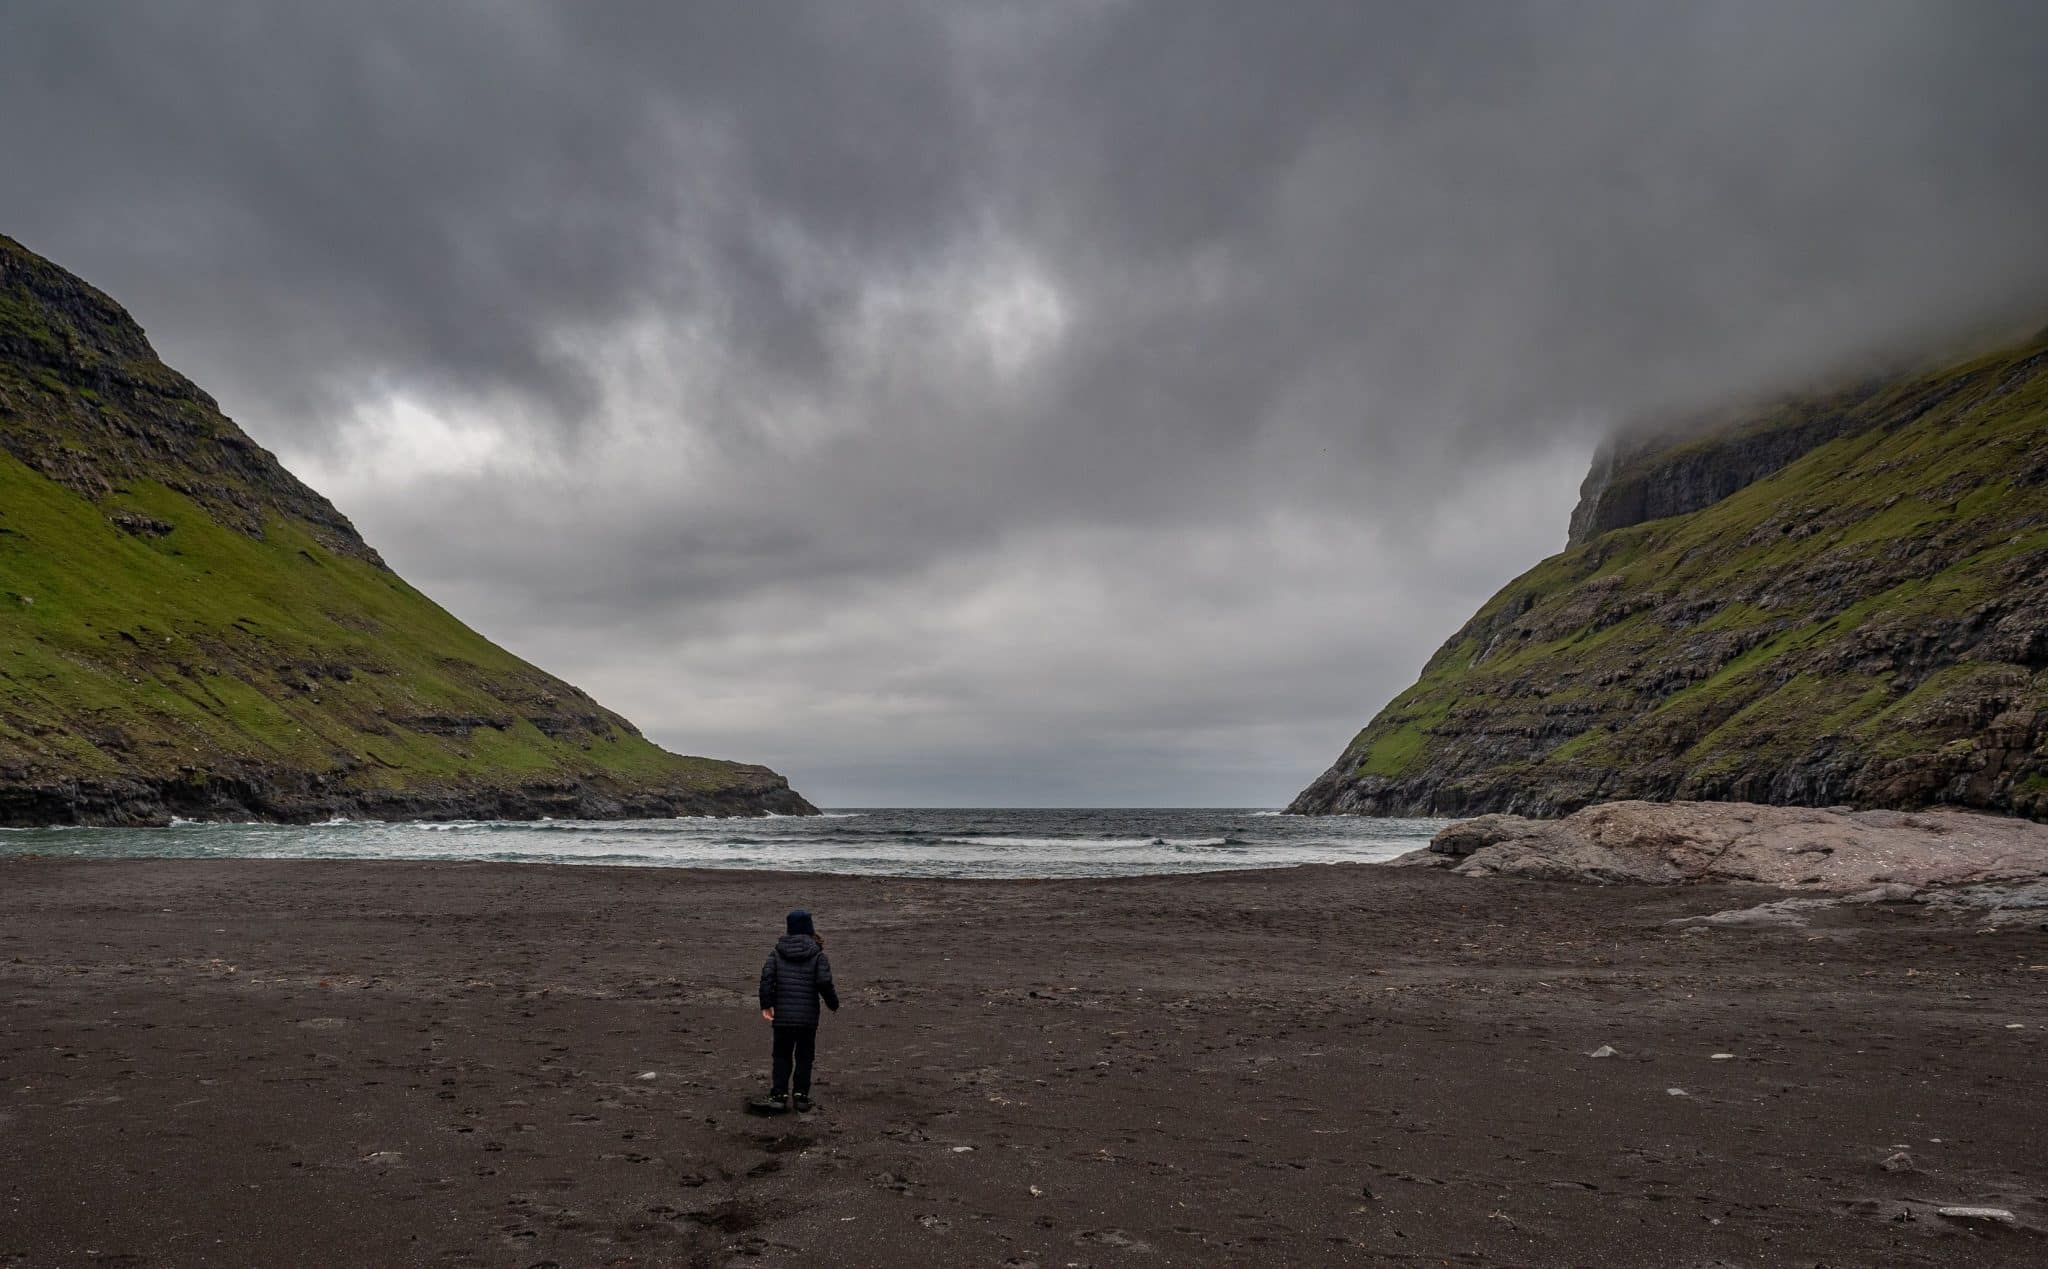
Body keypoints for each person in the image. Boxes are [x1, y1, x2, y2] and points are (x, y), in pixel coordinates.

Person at [756, 908, 838, 1113]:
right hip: (807, 1017)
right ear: (810, 929)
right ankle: (801, 1096)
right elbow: (824, 982)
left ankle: (779, 1095)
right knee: (804, 1056)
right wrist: (832, 1002)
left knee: (781, 1055)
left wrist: (766, 1004)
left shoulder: (776, 953)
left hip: (783, 1016)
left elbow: (767, 979)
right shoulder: (818, 955)